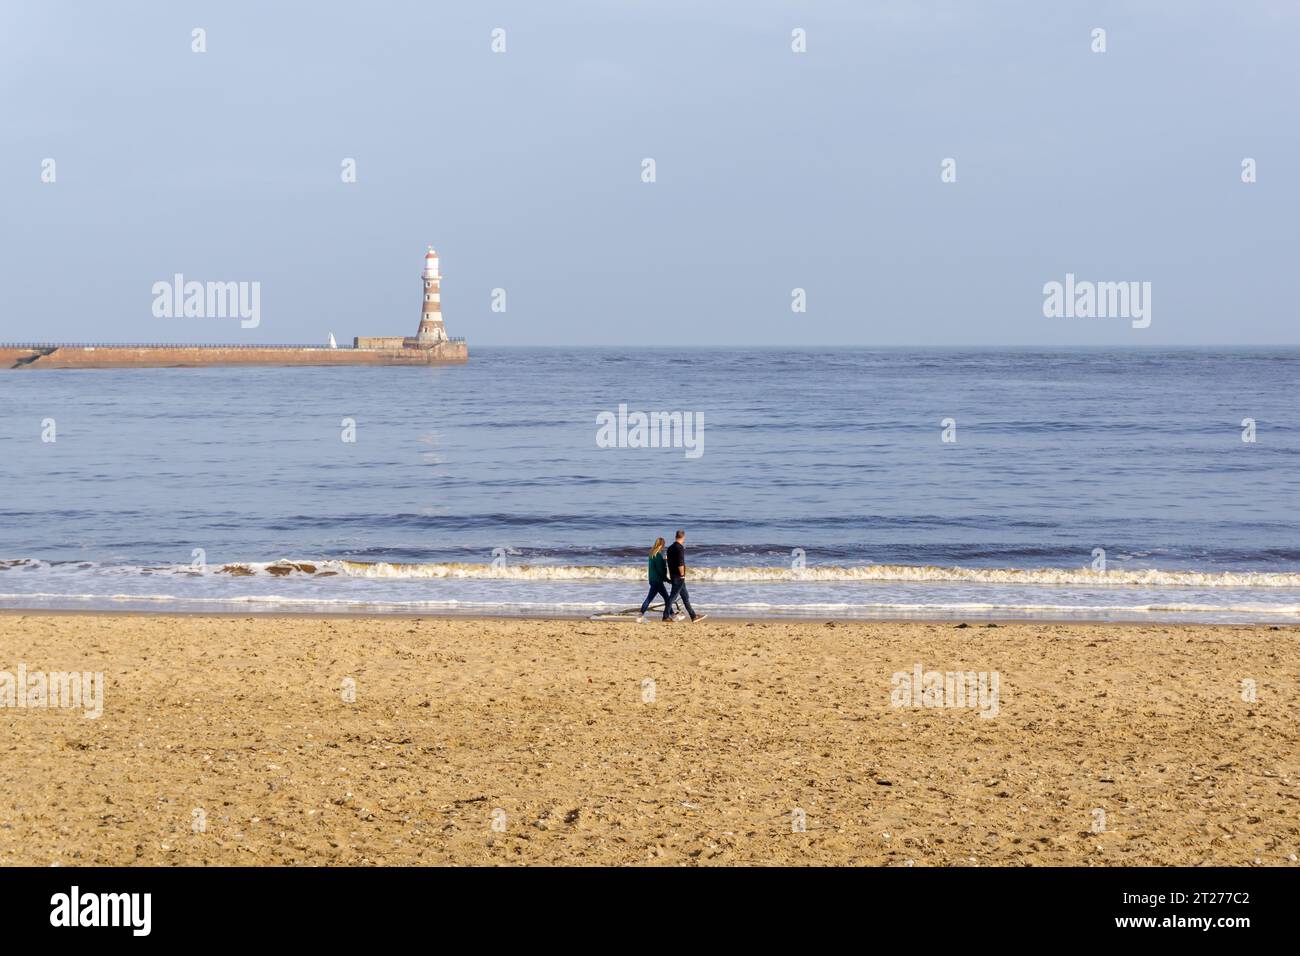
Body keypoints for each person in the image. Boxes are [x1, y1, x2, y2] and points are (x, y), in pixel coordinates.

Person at [663, 529, 705, 623]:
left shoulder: (670, 548)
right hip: (679, 577)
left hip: (673, 575)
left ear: (676, 536)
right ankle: (665, 616)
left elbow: (669, 561)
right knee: (673, 597)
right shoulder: (680, 548)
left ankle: (693, 616)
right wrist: (682, 575)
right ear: (683, 537)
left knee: (685, 597)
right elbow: (680, 563)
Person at [637, 538, 672, 623]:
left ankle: (672, 614)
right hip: (657, 581)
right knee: (649, 598)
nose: (664, 546)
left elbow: (655, 568)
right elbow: (660, 570)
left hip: (653, 580)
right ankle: (640, 616)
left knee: (667, 598)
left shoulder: (652, 554)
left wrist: (663, 561)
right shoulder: (658, 555)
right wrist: (666, 578)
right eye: (663, 544)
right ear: (661, 545)